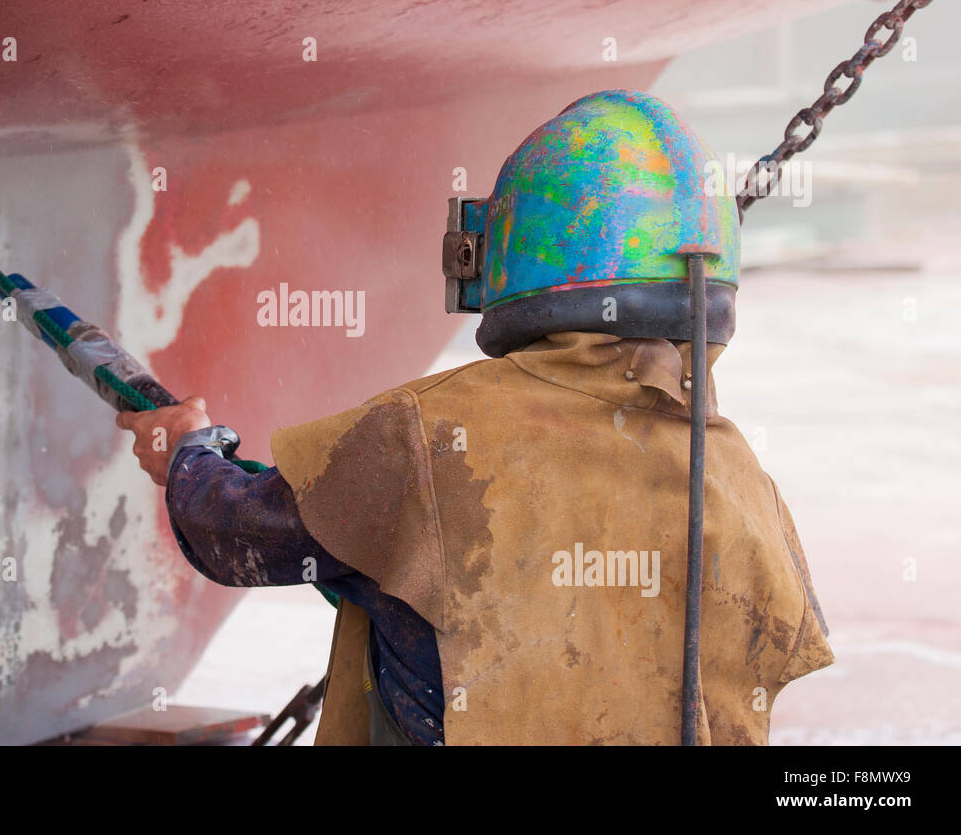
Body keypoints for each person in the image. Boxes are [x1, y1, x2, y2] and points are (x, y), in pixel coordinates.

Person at [115, 90, 834, 745]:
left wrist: (186, 450)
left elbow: (236, 532)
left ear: (511, 254)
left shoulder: (428, 435)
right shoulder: (743, 482)